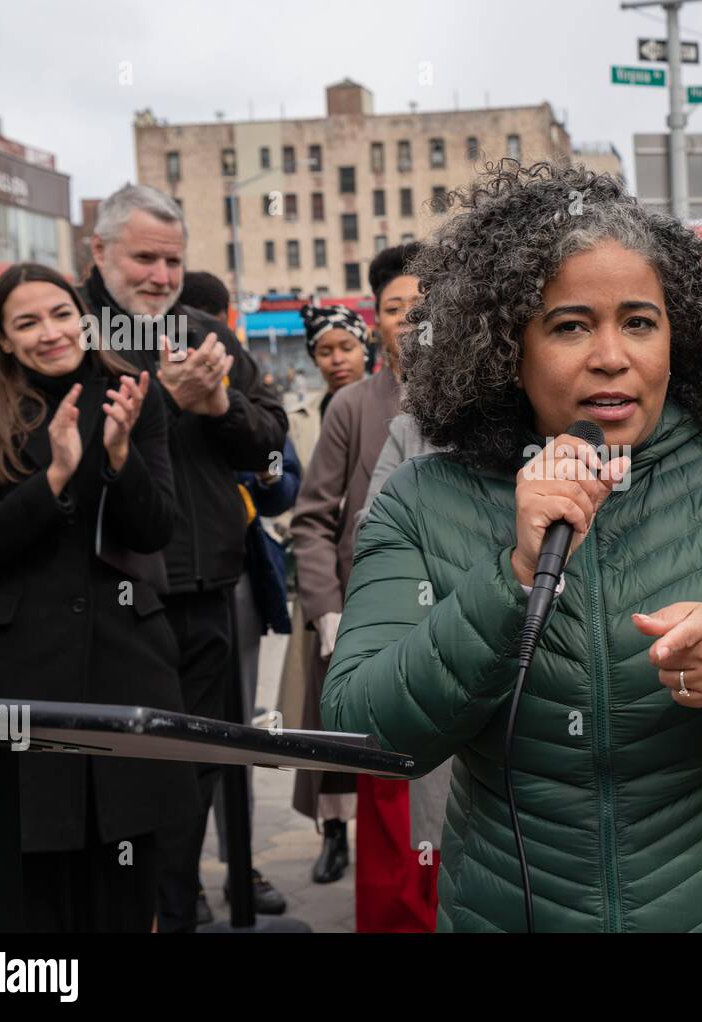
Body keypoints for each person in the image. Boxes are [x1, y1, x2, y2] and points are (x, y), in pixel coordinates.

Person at [321, 161, 702, 932]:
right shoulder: (424, 497)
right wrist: (511, 580)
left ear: (680, 337)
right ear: (507, 345)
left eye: (639, 321)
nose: (612, 355)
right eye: (570, 325)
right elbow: (361, 732)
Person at [0, 263, 199, 930]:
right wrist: (53, 476)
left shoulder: (132, 393)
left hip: (124, 667)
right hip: (13, 674)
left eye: (60, 313)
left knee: (123, 882)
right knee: (24, 899)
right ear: (0, 336)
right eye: (26, 322)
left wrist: (116, 458)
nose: (50, 333)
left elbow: (157, 527)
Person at [83, 184, 288, 933]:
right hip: (111, 600)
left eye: (173, 260)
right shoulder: (63, 333)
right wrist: (166, 401)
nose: (160, 276)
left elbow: (271, 438)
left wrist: (219, 406)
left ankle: (179, 910)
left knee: (198, 772)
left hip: (209, 594)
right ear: (99, 251)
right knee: (125, 778)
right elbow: (67, 462)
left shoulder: (206, 334)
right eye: (144, 258)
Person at [285, 246, 422, 921]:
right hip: (374, 636)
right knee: (387, 807)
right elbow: (310, 524)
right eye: (395, 309)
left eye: (424, 307)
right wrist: (331, 618)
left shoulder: (487, 399)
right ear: (378, 321)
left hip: (463, 631)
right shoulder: (352, 407)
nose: (411, 321)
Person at [177, 269, 291, 920]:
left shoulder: (230, 360)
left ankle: (237, 866)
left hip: (228, 575)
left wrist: (221, 407)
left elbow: (280, 469)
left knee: (231, 730)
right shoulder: (104, 345)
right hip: (144, 587)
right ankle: (179, 879)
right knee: (166, 743)